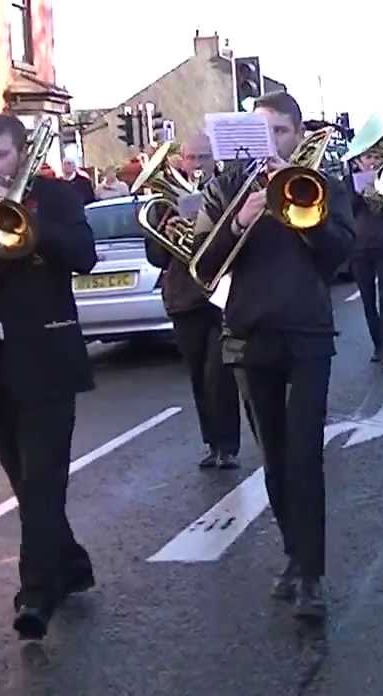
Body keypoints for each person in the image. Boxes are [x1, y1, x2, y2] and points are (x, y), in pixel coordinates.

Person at [188, 91, 354, 617]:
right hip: (247, 334)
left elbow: (339, 254)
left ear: (298, 136)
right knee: (276, 459)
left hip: (307, 333)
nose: (271, 143)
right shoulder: (224, 189)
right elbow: (201, 266)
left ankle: (312, 574)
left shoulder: (320, 185)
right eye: (261, 133)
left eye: (280, 132)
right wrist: (238, 222)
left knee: (305, 455)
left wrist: (299, 213)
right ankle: (293, 553)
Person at [0, 113, 98, 640]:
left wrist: (28, 232)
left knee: (41, 482)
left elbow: (84, 255)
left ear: (22, 155)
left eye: (1, 155)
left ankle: (35, 596)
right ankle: (72, 564)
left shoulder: (56, 198)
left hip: (47, 361)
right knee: (27, 486)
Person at [146, 132, 244, 470]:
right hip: (183, 297)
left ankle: (228, 445)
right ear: (180, 161)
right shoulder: (165, 202)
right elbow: (156, 257)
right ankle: (212, 443)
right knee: (197, 375)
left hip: (219, 296)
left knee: (219, 374)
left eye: (202, 157)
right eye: (190, 158)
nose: (196, 164)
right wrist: (169, 230)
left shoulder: (226, 192)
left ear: (213, 159)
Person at [350, 150, 383, 368]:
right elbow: (346, 212)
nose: (374, 162)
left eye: (377, 157)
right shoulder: (348, 182)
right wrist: (360, 194)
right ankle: (378, 345)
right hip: (359, 248)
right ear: (358, 162)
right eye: (369, 158)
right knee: (368, 299)